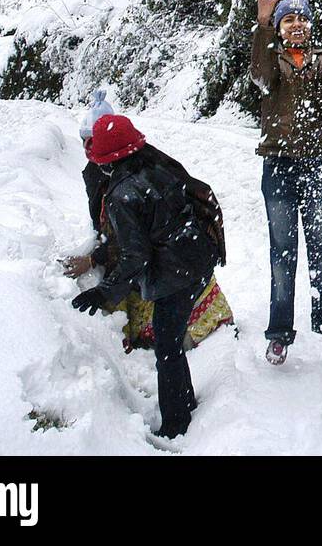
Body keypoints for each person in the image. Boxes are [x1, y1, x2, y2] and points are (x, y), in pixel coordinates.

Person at [70, 115, 226, 440]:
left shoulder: (121, 196)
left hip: (174, 272)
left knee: (167, 349)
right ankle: (185, 404)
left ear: (106, 159)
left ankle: (175, 426)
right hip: (196, 255)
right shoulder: (156, 161)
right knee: (171, 342)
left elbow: (134, 256)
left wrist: (104, 292)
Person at [61, 92, 234, 352]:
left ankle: (171, 342)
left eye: (92, 143)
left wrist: (98, 270)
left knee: (167, 340)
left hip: (166, 261)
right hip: (181, 254)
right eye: (85, 142)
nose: (89, 151)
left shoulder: (127, 181)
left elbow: (132, 244)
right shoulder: (131, 166)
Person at [252, 0, 322, 365]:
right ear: (279, 28)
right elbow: (261, 77)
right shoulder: (271, 57)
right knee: (282, 253)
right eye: (288, 20)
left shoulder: (319, 58)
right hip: (277, 165)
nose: (296, 24)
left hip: (315, 162)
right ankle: (279, 332)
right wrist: (263, 24)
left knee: (321, 248)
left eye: (302, 19)